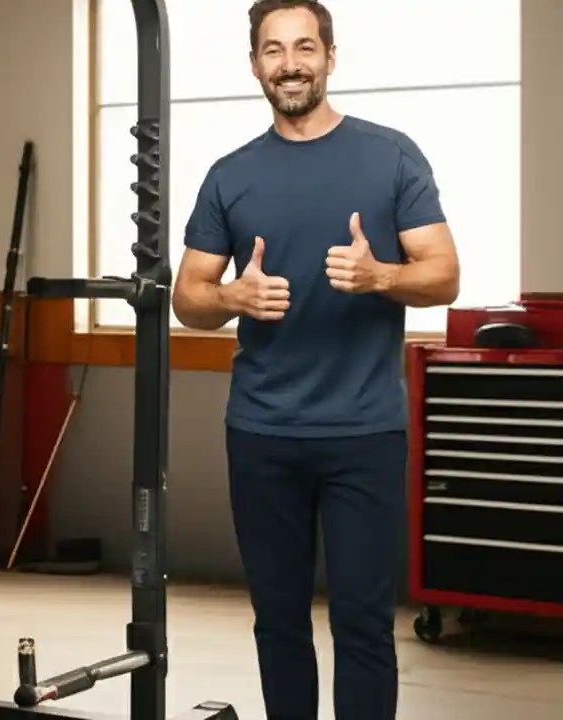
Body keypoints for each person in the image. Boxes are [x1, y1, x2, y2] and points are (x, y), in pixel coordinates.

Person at [169, 1, 460, 718]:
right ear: (255, 65)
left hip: (364, 433)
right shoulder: (229, 175)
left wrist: (381, 276)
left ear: (331, 56)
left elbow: (446, 275)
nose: (290, 63)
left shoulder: (391, 155)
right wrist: (234, 295)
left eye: (304, 47)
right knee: (278, 621)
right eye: (273, 50)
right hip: (264, 433)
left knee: (363, 625)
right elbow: (188, 296)